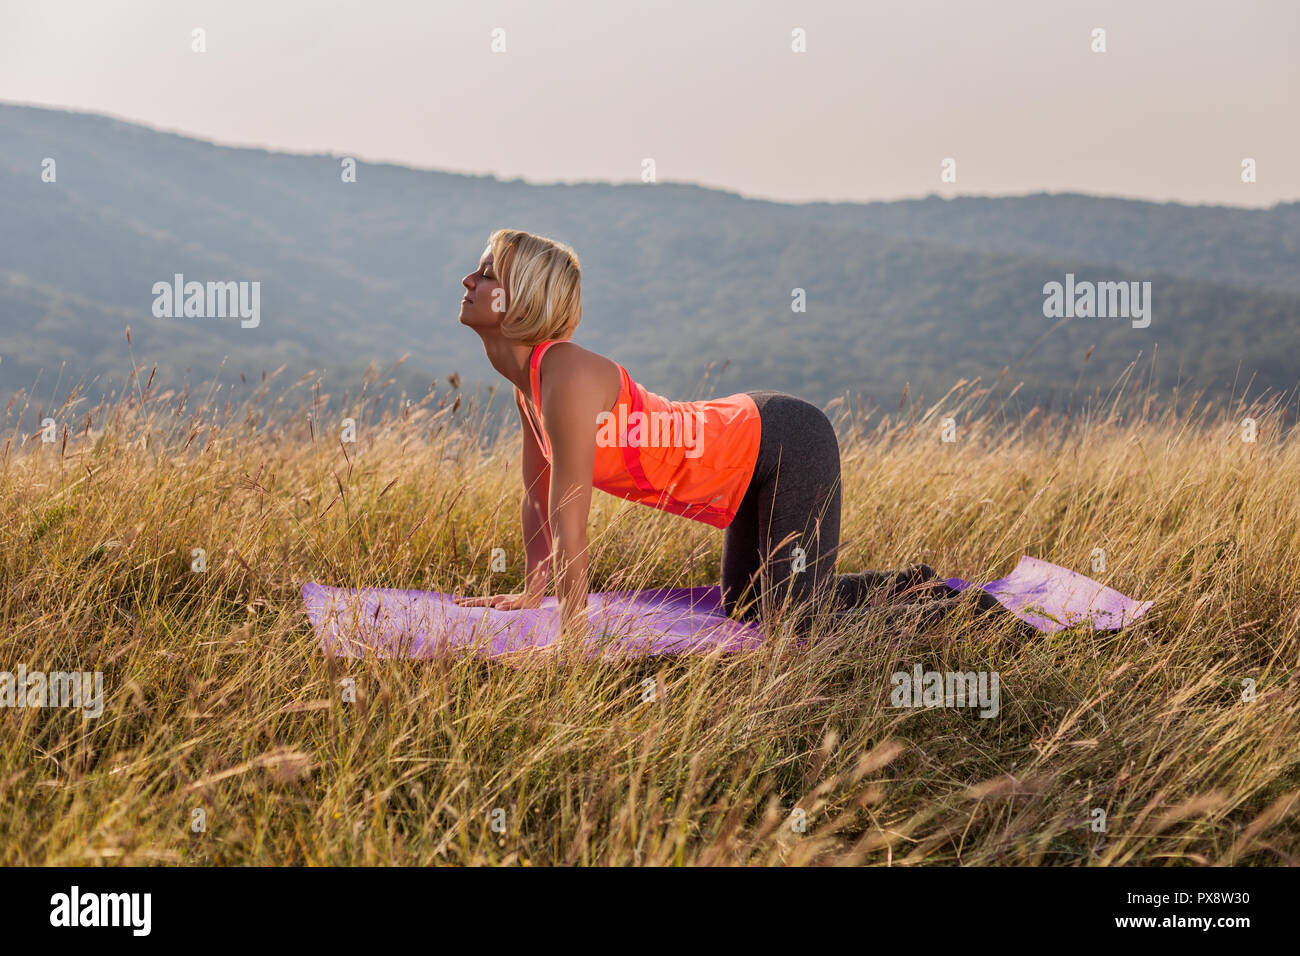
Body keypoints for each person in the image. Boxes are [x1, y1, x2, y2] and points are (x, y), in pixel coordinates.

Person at [452, 229, 956, 639]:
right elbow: (539, 499)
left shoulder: (566, 375)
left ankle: (964, 613)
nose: (469, 279)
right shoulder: (531, 387)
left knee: (797, 624)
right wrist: (531, 593)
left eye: (488, 271)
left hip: (785, 441)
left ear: (521, 299)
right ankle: (910, 586)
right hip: (746, 447)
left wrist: (573, 640)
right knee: (744, 605)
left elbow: (570, 519)